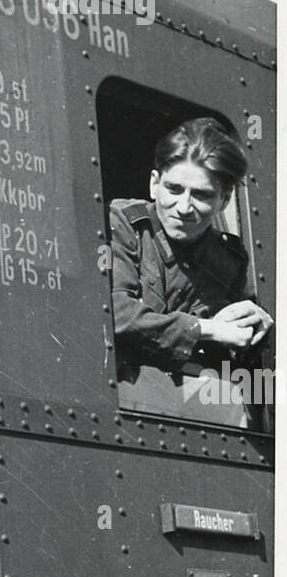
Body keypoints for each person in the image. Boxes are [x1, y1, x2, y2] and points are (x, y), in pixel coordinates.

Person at [110, 117, 272, 426]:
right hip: (129, 401)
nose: (183, 207)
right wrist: (207, 328)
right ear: (154, 184)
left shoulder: (229, 259)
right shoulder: (124, 224)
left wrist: (255, 327)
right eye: (173, 189)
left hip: (194, 408)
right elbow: (116, 314)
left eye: (201, 195)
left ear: (224, 200)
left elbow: (239, 358)